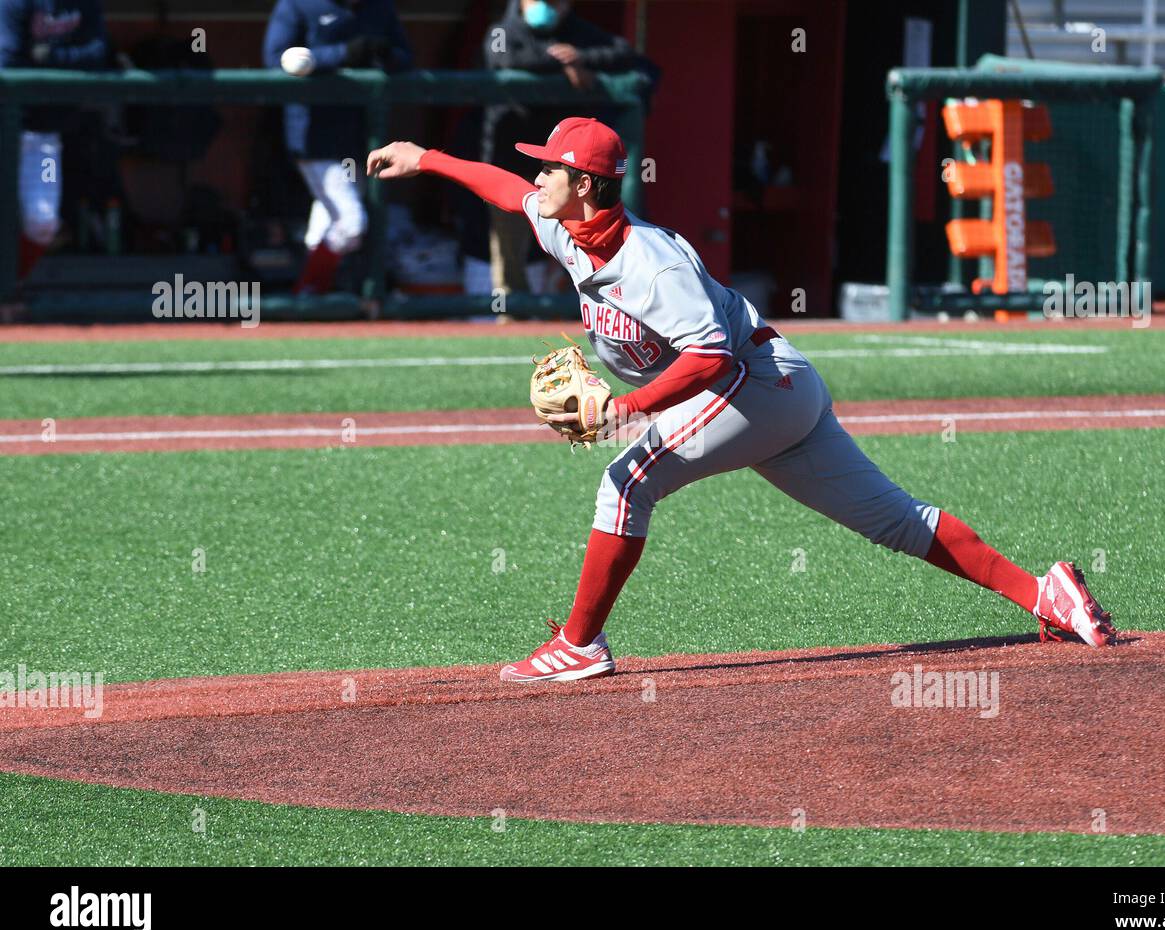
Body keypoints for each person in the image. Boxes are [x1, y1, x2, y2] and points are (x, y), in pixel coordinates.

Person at [366, 118, 1116, 683]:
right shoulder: (568, 228)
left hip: (750, 387)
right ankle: (1044, 595)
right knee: (893, 521)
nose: (539, 181)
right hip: (779, 389)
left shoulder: (652, 264)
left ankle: (580, 645)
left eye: (551, 171)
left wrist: (627, 410)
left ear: (586, 184)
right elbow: (503, 188)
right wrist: (426, 159)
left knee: (626, 480)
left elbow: (710, 357)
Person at [481, 0, 642, 316]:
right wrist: (562, 64)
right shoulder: (504, 29)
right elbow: (502, 59)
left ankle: (598, 312)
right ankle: (511, 319)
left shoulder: (574, 30)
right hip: (513, 158)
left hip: (567, 167)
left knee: (584, 240)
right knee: (510, 252)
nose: (549, 7)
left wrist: (582, 57)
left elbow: (623, 52)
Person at [263, 0, 412, 294]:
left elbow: (405, 58)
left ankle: (312, 299)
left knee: (328, 223)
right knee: (351, 223)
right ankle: (305, 291)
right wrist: (343, 54)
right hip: (314, 134)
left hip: (362, 135)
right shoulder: (297, 5)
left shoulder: (378, 7)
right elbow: (274, 59)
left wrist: (382, 53)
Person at [0, 0, 110, 282]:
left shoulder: (88, 5)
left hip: (44, 141)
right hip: (6, 130)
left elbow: (98, 55)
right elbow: (7, 59)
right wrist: (65, 59)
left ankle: (9, 287)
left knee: (43, 222)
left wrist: (47, 55)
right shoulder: (15, 3)